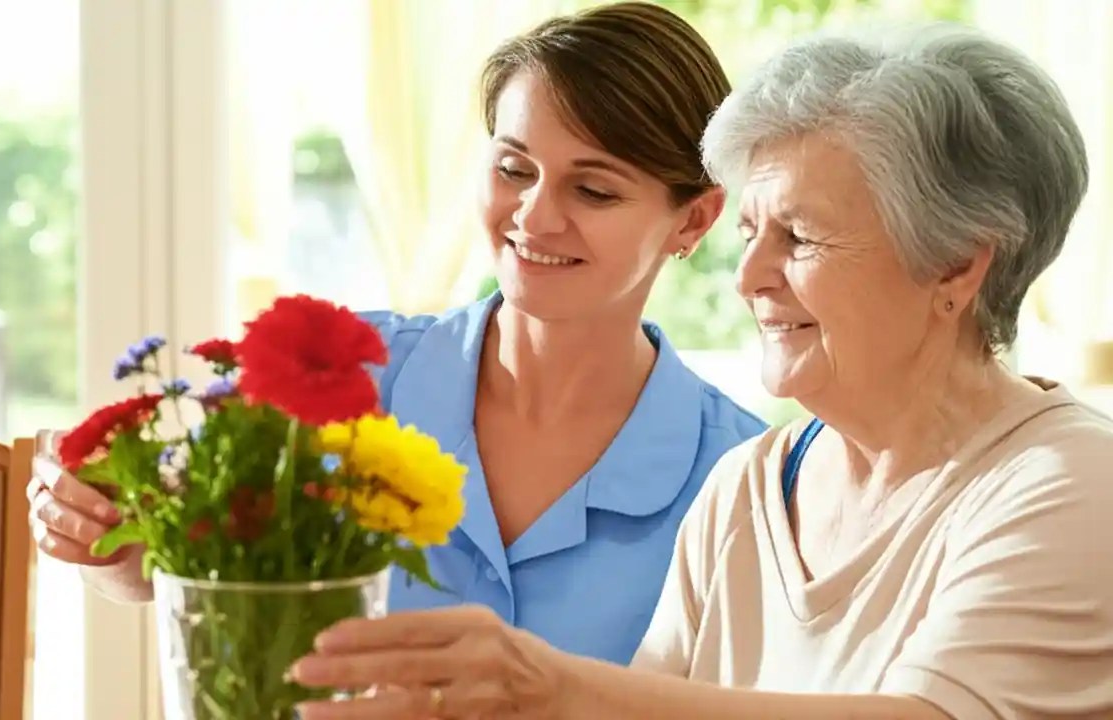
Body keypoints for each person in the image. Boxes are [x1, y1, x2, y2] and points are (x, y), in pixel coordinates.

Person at [285, 23, 1113, 720]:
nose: (750, 275)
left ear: (956, 268)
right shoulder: (747, 489)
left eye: (800, 237)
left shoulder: (1070, 480)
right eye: (752, 231)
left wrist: (545, 681)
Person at [26, 1, 766, 666]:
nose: (534, 217)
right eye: (514, 168)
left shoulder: (743, 479)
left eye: (593, 189)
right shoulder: (339, 376)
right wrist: (109, 545)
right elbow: (189, 578)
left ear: (693, 219)